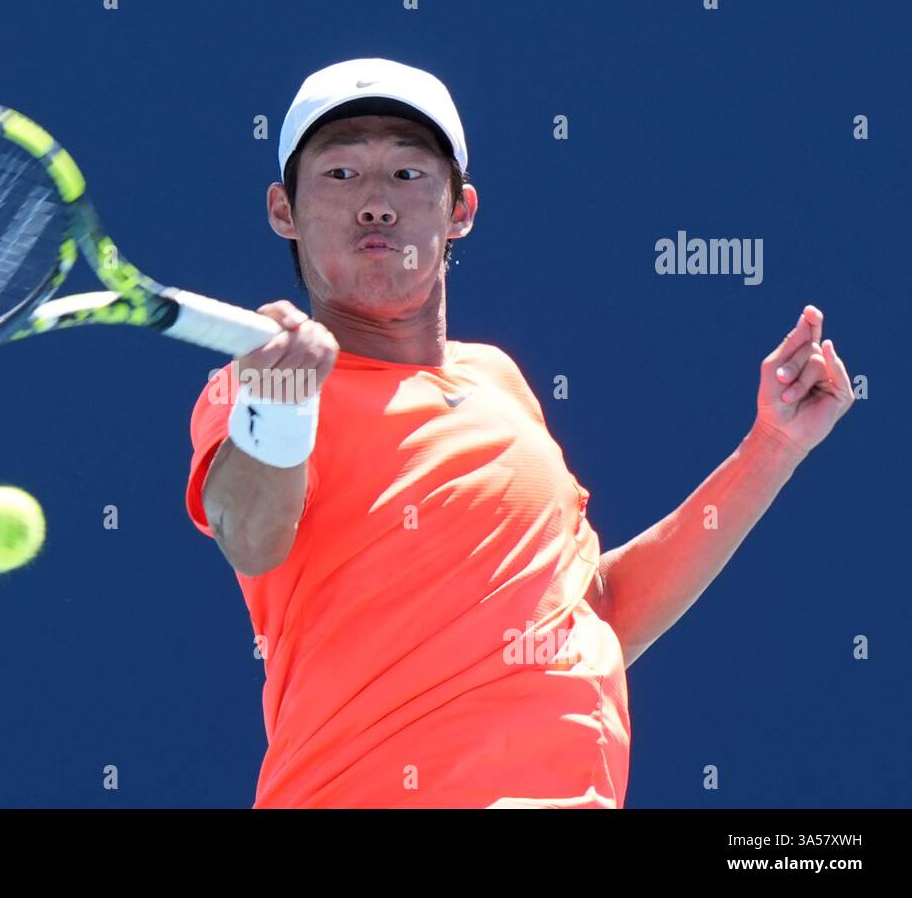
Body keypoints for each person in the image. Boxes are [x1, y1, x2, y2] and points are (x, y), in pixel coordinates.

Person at [184, 58, 854, 808]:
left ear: (460, 209)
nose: (375, 203)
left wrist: (773, 446)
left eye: (408, 174)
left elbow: (593, 613)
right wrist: (278, 404)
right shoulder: (260, 386)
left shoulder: (500, 380)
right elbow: (248, 535)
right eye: (340, 174)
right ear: (284, 209)